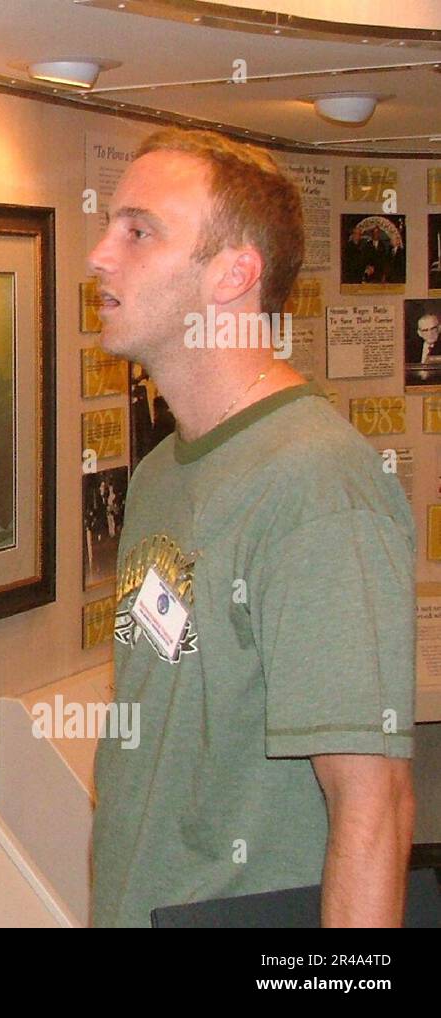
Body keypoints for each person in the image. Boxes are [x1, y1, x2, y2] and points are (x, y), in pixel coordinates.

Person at [87, 127, 415, 927]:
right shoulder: (167, 471)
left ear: (234, 274)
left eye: (139, 231)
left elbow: (375, 811)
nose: (99, 255)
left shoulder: (317, 485)